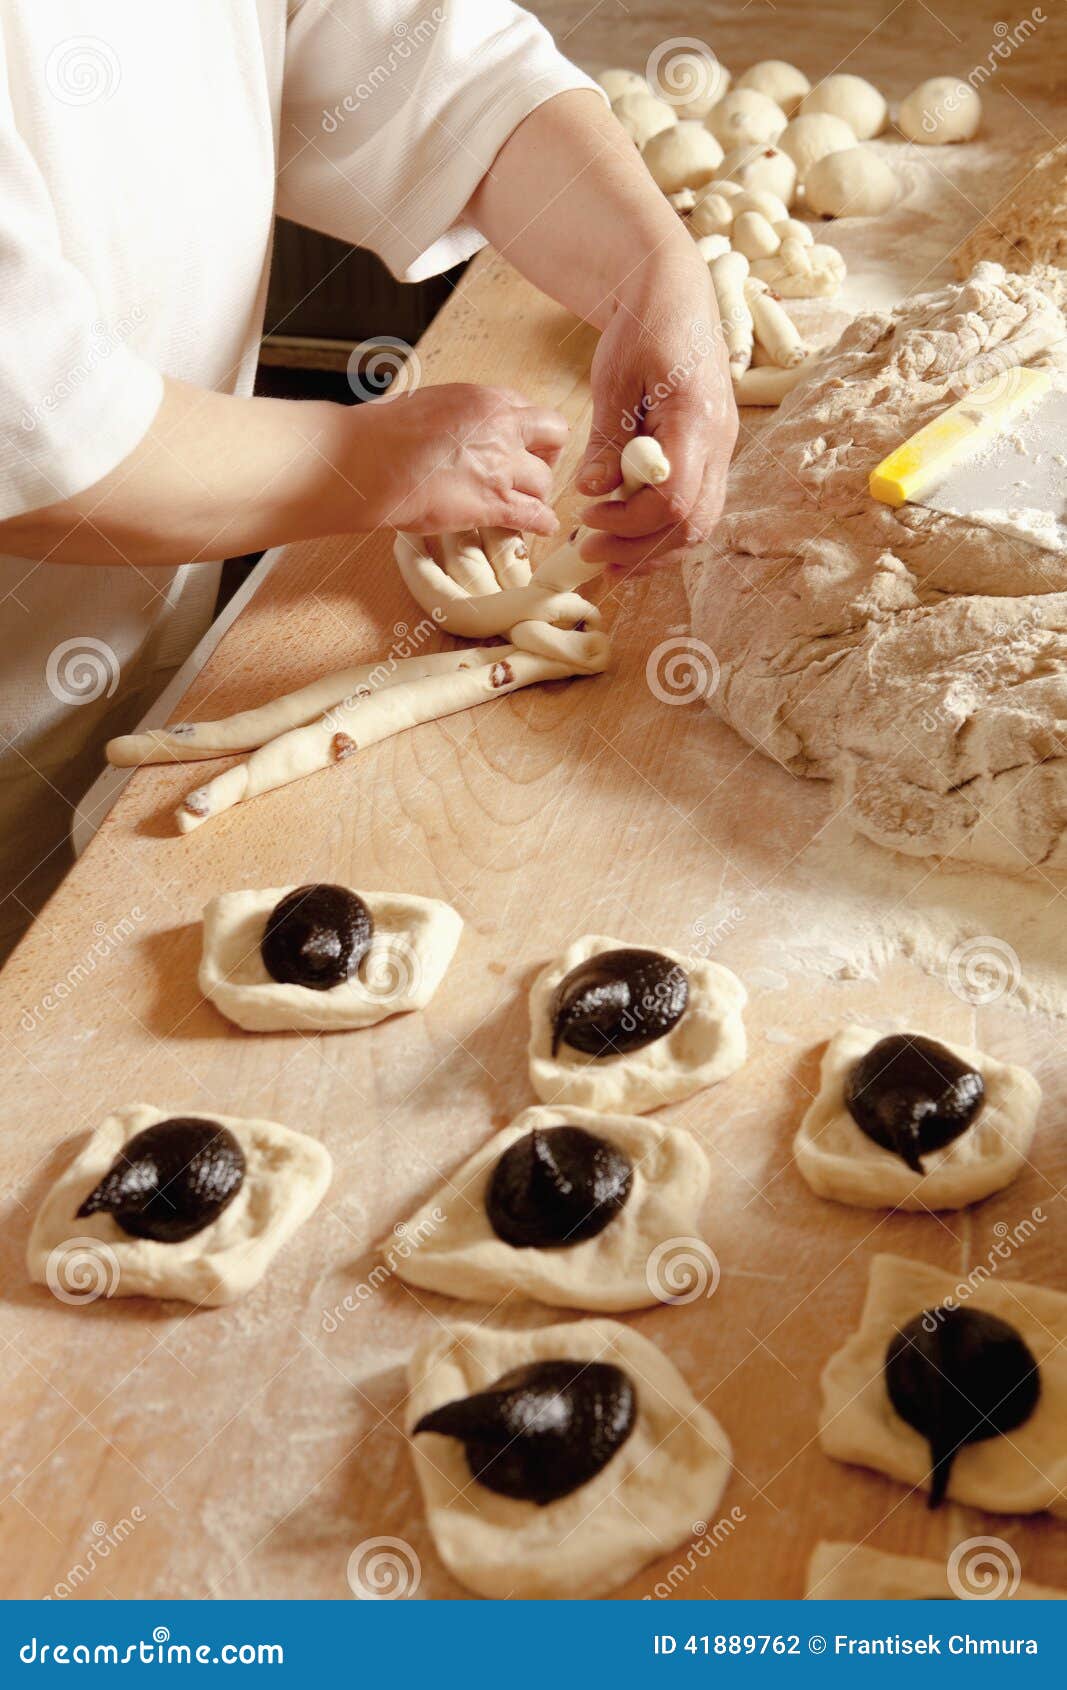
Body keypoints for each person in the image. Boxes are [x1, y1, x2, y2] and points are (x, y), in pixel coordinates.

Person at [0, 2, 736, 959]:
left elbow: (408, 51)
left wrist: (649, 267)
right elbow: (41, 436)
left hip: (127, 654)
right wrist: (366, 461)